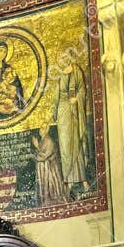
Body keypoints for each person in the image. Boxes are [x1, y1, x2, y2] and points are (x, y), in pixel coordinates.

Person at [53, 61, 91, 196]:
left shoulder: (76, 71)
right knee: (65, 146)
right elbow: (56, 97)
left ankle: (83, 179)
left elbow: (82, 90)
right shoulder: (60, 76)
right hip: (63, 112)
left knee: (76, 144)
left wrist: (77, 99)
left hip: (74, 110)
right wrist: (55, 113)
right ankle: (68, 180)